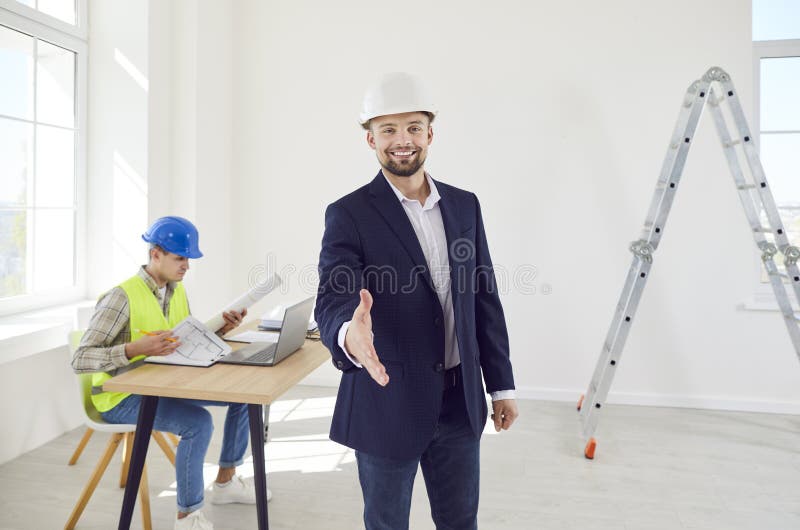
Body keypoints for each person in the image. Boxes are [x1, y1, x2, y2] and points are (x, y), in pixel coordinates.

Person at [315, 72, 519, 530]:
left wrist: (500, 385)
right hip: (387, 401)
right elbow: (334, 293)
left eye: (412, 127)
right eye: (388, 129)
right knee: (387, 523)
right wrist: (350, 333)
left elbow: (483, 298)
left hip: (459, 401)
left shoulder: (465, 206)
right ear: (370, 139)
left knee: (460, 521)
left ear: (431, 133)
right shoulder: (349, 214)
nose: (401, 140)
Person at [71, 216, 266, 530]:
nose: (186, 265)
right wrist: (136, 348)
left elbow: (184, 340)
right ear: (155, 254)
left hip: (163, 384)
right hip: (120, 396)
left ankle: (226, 482)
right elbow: (81, 359)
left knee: (244, 399)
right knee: (198, 423)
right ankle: (187, 517)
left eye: (188, 259)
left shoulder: (176, 291)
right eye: (179, 258)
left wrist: (221, 330)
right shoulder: (119, 297)